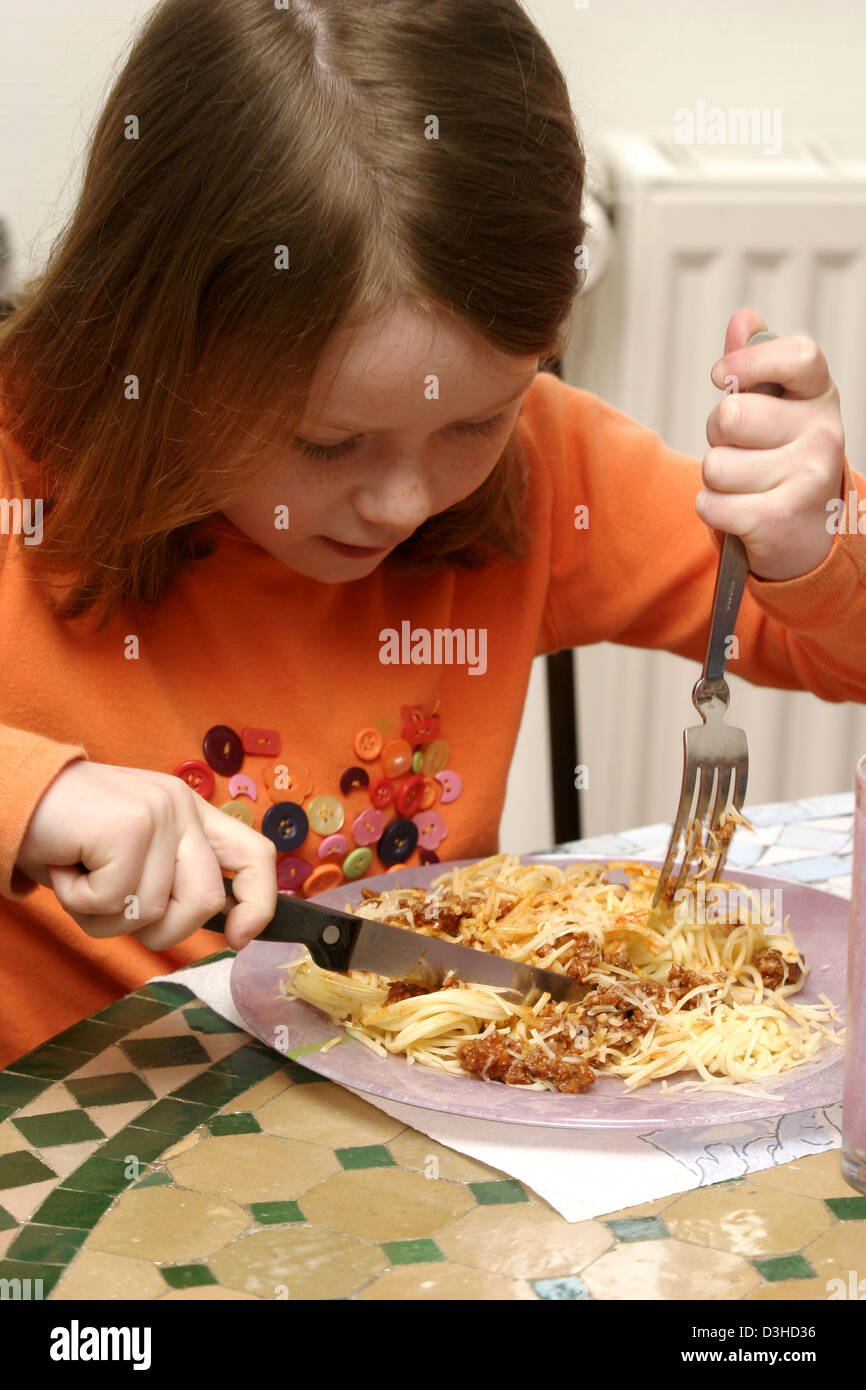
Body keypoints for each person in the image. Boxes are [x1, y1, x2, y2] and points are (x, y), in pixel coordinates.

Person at [0, 0, 863, 1069]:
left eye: (473, 420)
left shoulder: (549, 470)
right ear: (159, 342)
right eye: (327, 443)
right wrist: (30, 795)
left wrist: (810, 540)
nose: (405, 500)